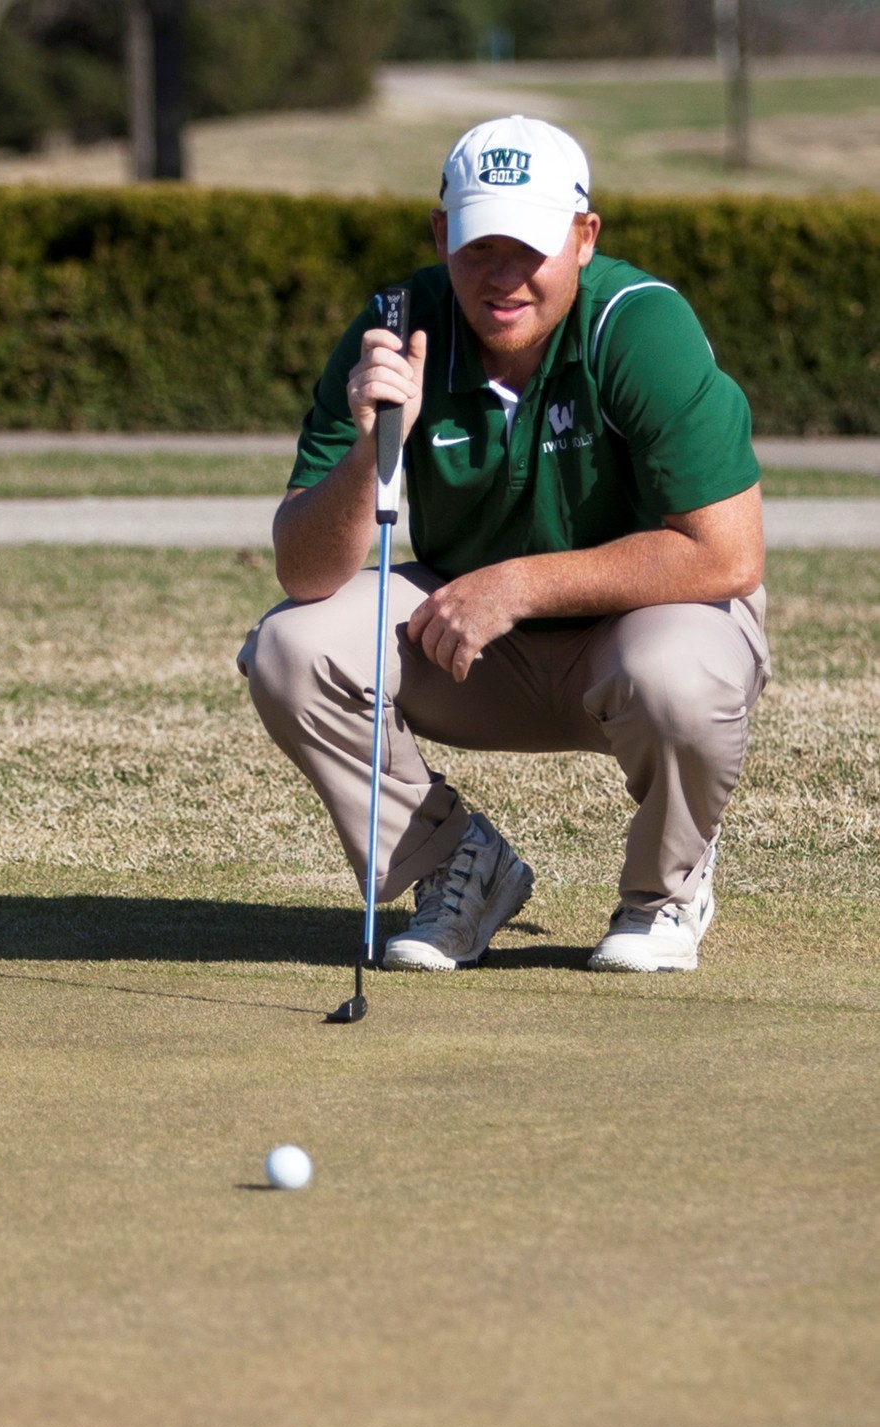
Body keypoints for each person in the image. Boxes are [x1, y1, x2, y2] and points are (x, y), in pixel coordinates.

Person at [239, 115, 769, 973]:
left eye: (529, 245)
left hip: (635, 636)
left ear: (583, 236)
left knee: (680, 674)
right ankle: (456, 868)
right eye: (479, 244)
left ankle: (664, 894)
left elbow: (726, 555)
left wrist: (515, 586)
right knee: (288, 650)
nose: (503, 275)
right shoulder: (395, 324)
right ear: (441, 235)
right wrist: (379, 438)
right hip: (470, 652)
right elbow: (302, 570)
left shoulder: (637, 326)